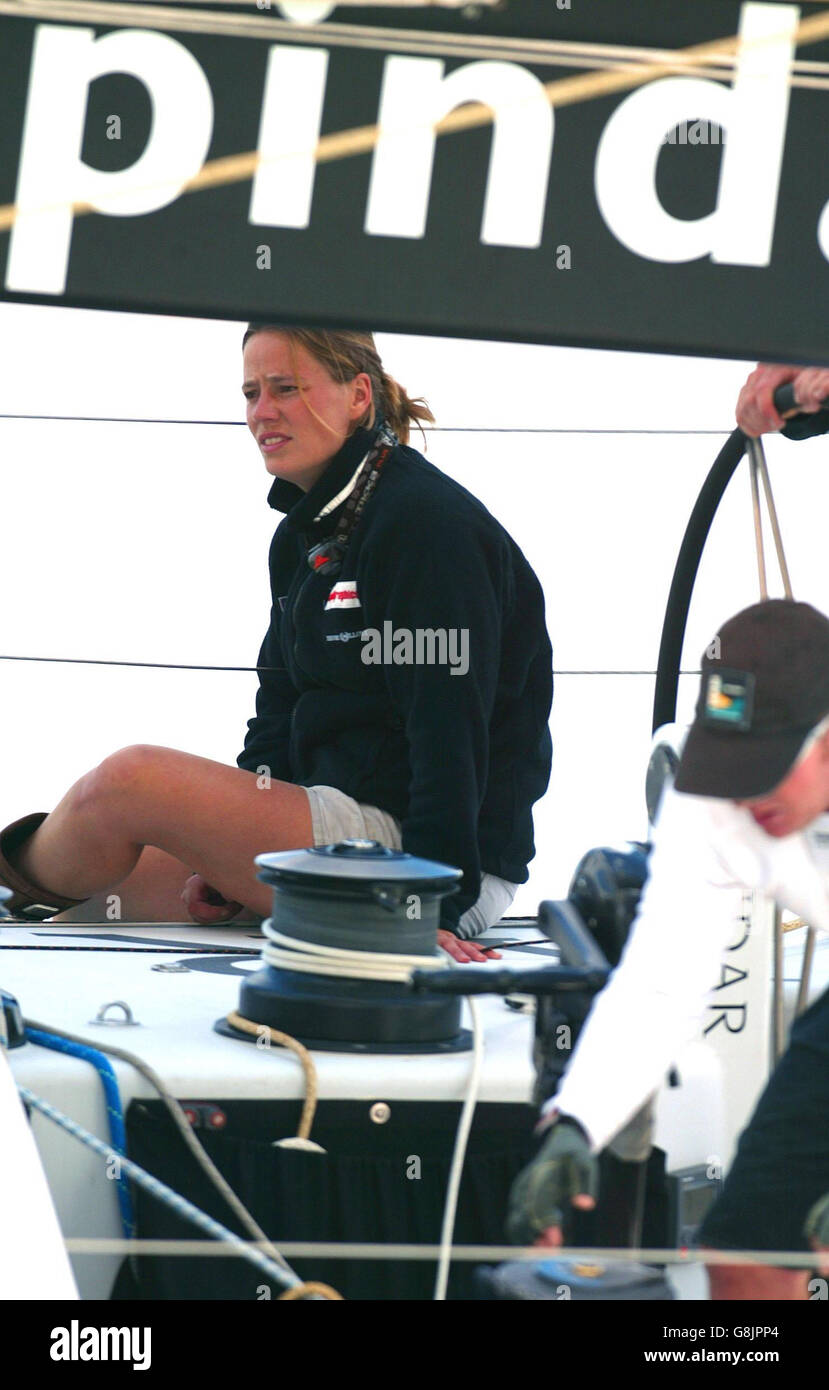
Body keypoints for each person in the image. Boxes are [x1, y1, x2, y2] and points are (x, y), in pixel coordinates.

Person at [0, 327, 553, 964]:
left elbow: (449, 735)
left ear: (358, 395)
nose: (262, 412)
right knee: (94, 897)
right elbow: (278, 712)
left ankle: (7, 877)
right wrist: (224, 858)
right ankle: (18, 894)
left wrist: (426, 908)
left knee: (129, 783)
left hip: (430, 864)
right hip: (330, 826)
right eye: (251, 392)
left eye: (286, 389)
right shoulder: (304, 535)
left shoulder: (426, 528)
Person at [507, 363, 829, 1299]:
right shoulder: (716, 795)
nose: (749, 806)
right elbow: (658, 980)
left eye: (767, 779)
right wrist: (576, 1123)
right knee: (746, 1249)